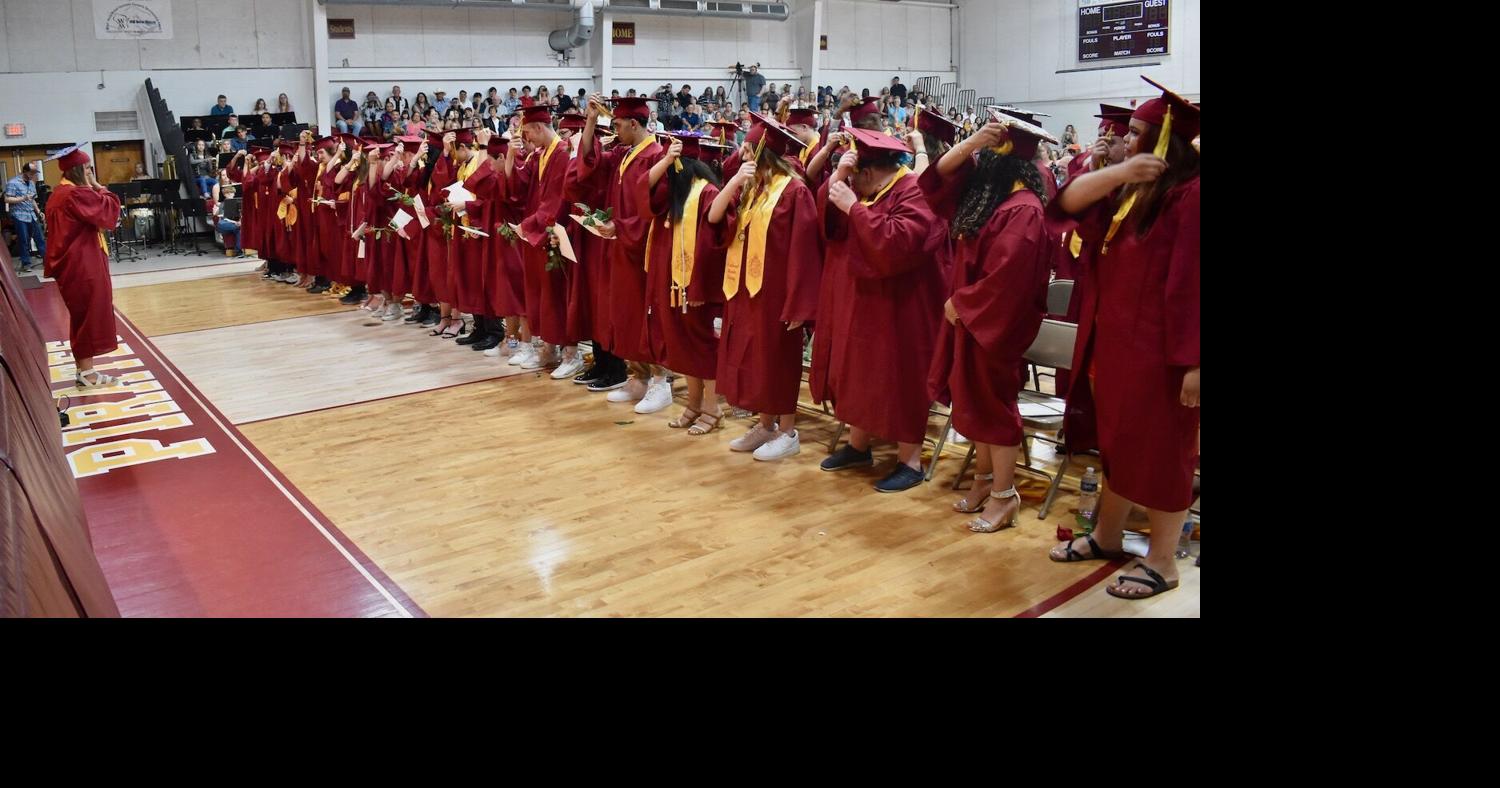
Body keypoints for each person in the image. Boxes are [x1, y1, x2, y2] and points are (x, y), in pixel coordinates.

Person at [1045, 78, 1199, 600]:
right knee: (1117, 446)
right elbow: (1065, 205)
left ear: (1162, 140)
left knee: (1163, 455)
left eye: (1134, 133)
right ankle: (1108, 536)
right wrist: (1115, 171)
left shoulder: (1191, 196)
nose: (1122, 139)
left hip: (1162, 356)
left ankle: (1163, 561)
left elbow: (1195, 283)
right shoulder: (1134, 192)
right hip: (1114, 347)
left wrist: (1196, 363)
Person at [921, 108, 1056, 533]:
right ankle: (983, 481)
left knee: (994, 408)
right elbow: (938, 179)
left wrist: (964, 305)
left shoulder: (1024, 210)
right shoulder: (992, 199)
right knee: (973, 402)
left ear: (1004, 163)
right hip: (971, 318)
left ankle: (1004, 495)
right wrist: (975, 140)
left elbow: (1008, 279)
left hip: (994, 324)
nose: (978, 164)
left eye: (987, 156)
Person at [705, 114, 823, 461]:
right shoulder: (754, 190)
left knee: (778, 361)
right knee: (757, 361)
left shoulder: (795, 191)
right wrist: (733, 183)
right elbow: (715, 219)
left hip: (777, 295)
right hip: (746, 290)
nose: (741, 156)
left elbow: (805, 250)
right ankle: (765, 424)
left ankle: (788, 432)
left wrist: (799, 304)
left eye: (747, 150)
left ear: (762, 155)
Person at [576, 95, 668, 404]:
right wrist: (590, 120)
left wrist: (622, 226)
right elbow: (589, 162)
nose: (614, 130)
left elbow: (657, 208)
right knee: (626, 314)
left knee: (647, 316)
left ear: (634, 124)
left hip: (643, 249)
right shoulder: (624, 154)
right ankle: (638, 377)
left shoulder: (657, 156)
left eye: (617, 124)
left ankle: (660, 383)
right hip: (622, 248)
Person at [639, 133, 728, 433]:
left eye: (670, 170)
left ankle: (713, 409)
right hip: (673, 287)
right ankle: (694, 404)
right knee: (683, 346)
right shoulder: (675, 193)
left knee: (702, 346)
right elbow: (641, 192)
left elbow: (713, 246)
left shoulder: (707, 193)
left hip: (694, 287)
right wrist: (666, 159)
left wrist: (699, 287)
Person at [42, 145, 122, 389]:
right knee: (88, 315)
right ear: (77, 170)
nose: (90, 172)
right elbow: (109, 212)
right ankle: (87, 374)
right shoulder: (75, 194)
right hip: (82, 264)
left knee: (81, 315)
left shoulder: (59, 193)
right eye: (87, 168)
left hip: (73, 262)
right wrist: (99, 187)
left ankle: (83, 370)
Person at [5, 162, 46, 272]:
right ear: (25, 171)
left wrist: (38, 211)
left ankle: (47, 261)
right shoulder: (13, 183)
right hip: (19, 215)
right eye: (31, 173)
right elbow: (7, 199)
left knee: (40, 238)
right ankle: (26, 263)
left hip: (31, 215)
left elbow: (32, 199)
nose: (33, 175)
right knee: (24, 239)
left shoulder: (32, 183)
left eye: (35, 173)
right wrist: (23, 198)